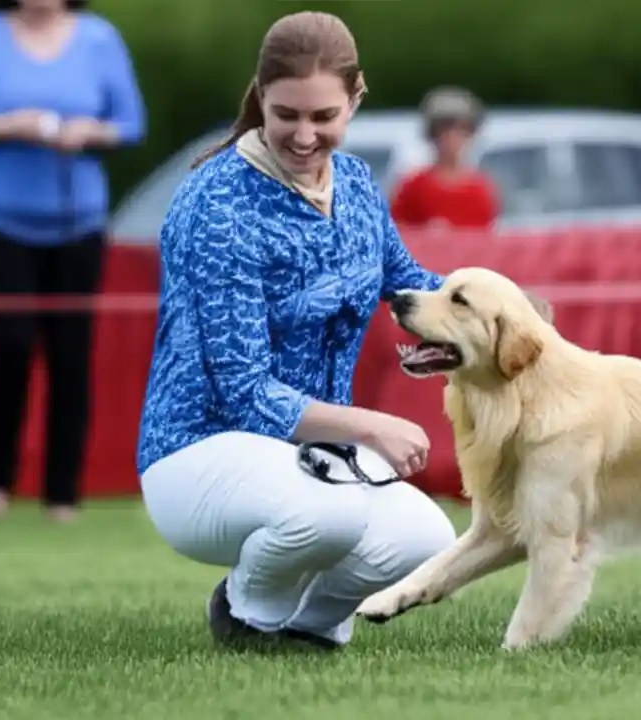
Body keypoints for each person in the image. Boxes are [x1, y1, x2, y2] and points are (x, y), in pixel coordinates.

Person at [135, 11, 457, 651]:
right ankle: (247, 612)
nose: (304, 135)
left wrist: (494, 309)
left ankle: (309, 628)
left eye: (323, 117)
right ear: (259, 98)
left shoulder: (359, 185)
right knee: (327, 514)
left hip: (311, 454)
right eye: (286, 115)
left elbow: (407, 281)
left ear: (355, 97)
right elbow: (242, 388)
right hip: (199, 447)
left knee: (428, 541)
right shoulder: (217, 203)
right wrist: (368, 425)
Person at [0, 0, 146, 523]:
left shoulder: (99, 38)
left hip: (77, 221)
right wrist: (7, 125)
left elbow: (130, 124)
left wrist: (89, 133)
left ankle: (62, 494)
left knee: (71, 354)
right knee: (12, 341)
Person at [389, 86, 499, 229]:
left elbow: (486, 235)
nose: (452, 139)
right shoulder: (413, 186)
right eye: (444, 130)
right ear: (432, 135)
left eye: (461, 130)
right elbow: (395, 231)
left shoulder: (480, 189)